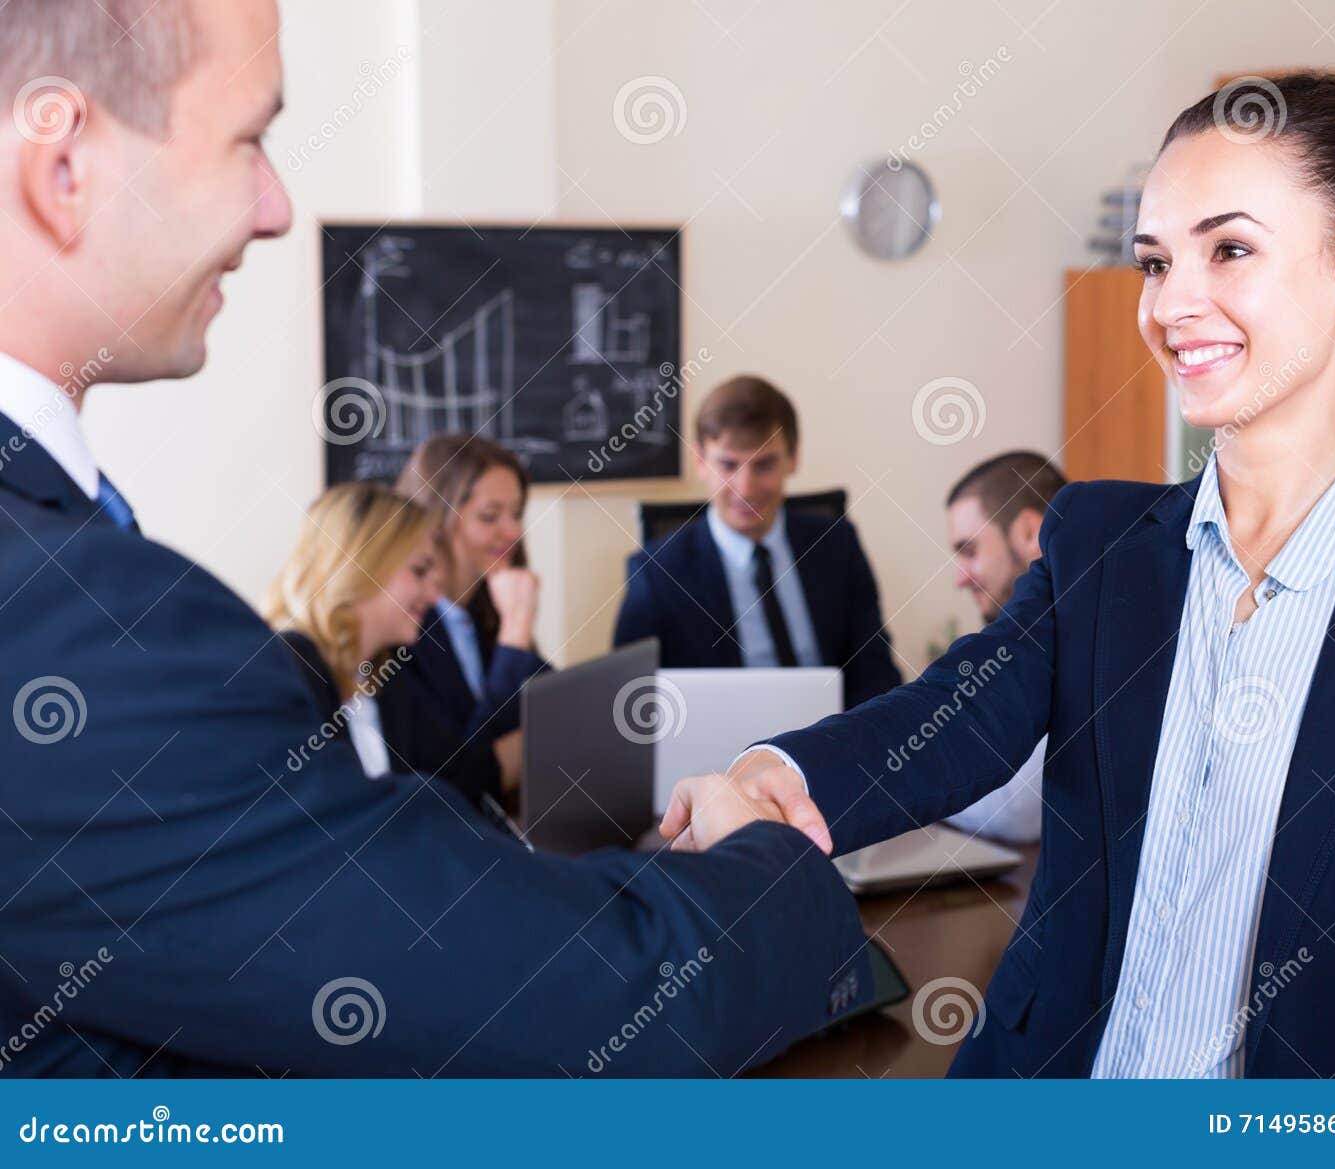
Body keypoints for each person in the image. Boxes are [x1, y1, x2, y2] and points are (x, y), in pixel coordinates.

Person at [0, 0, 869, 1077]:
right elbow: (566, 997)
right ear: (65, 165)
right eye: (249, 138)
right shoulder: (75, 623)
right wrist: (775, 854)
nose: (276, 208)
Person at [666, 73, 1335, 1078]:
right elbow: (957, 717)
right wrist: (777, 775)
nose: (1171, 305)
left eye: (1228, 249)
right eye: (1154, 262)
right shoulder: (1098, 540)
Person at [614, 374, 901, 709]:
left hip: (831, 745)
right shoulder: (655, 573)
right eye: (728, 465)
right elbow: (633, 703)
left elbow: (876, 673)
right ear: (700, 462)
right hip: (719, 755)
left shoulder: (836, 544)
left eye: (764, 465)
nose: (745, 489)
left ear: (793, 459)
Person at [264, 481, 503, 806]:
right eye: (419, 571)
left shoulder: (384, 675)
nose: (433, 596)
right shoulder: (291, 667)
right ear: (360, 566)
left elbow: (464, 776)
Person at [391, 434, 550, 796]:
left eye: (516, 513)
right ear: (437, 520)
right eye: (489, 516)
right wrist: (516, 633)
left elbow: (552, 706)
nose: (511, 531)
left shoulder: (480, 609)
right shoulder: (404, 629)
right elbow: (463, 773)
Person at [940, 451, 1066, 844]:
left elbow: (1015, 811)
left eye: (970, 550)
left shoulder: (1088, 631)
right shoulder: (1024, 644)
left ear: (1030, 532)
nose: (961, 579)